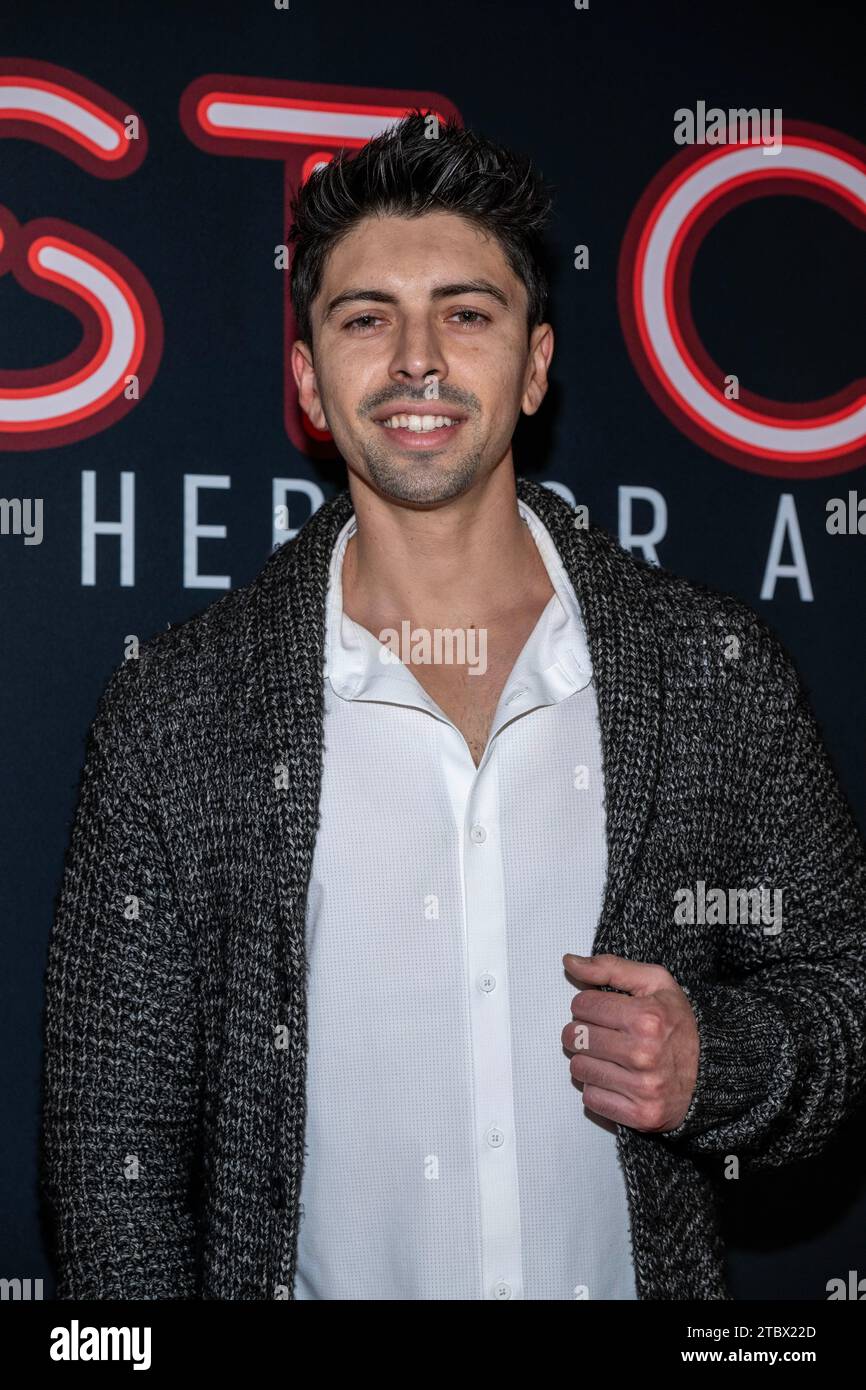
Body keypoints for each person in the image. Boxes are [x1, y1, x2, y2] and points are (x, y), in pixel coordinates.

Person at [41, 111, 866, 1301]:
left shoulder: (709, 670)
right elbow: (109, 1157)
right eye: (365, 318)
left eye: (465, 314)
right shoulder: (181, 712)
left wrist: (716, 1066)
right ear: (308, 381)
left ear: (533, 366)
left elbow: (839, 986)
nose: (417, 360)